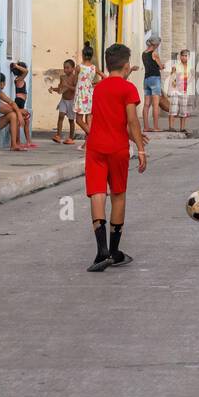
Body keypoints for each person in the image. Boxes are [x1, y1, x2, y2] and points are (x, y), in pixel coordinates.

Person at [85, 43, 149, 271]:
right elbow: (132, 120)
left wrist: (133, 136)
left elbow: (99, 118)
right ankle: (114, 251)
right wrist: (139, 146)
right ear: (126, 65)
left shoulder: (99, 88)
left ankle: (101, 250)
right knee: (118, 195)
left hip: (95, 147)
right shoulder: (128, 89)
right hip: (117, 148)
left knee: (97, 194)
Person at [74, 44, 102, 147]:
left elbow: (74, 80)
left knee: (79, 120)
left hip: (81, 95)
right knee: (89, 119)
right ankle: (87, 144)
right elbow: (105, 77)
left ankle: (93, 137)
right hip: (90, 94)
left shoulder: (79, 67)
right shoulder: (94, 68)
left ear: (82, 55)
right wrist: (94, 84)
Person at [49, 59, 79, 144]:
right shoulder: (62, 77)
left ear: (73, 68)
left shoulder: (75, 78)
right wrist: (53, 89)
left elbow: (75, 89)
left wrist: (67, 86)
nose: (65, 70)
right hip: (64, 100)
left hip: (71, 101)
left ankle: (71, 138)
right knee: (61, 116)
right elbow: (61, 89)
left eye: (67, 68)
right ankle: (58, 135)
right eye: (64, 68)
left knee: (71, 120)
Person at [0, 73, 29, 152]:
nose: (4, 85)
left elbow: (12, 102)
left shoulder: (0, 93)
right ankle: (14, 144)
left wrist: (18, 113)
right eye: (4, 83)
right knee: (13, 114)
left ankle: (14, 145)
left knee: (13, 115)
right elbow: (3, 108)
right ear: (1, 83)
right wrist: (20, 112)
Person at [9, 62, 37, 149]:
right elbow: (26, 71)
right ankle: (17, 141)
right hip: (19, 102)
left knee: (27, 121)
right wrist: (17, 66)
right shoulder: (19, 79)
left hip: (21, 102)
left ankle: (28, 141)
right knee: (18, 122)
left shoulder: (20, 79)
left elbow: (25, 71)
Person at [142, 36, 165, 131]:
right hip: (155, 78)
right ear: (155, 44)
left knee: (146, 104)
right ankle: (156, 127)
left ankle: (146, 127)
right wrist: (162, 66)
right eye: (158, 44)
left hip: (146, 79)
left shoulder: (143, 53)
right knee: (155, 104)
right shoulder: (155, 53)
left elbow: (149, 65)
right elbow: (160, 66)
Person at [168, 49, 191, 133]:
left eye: (186, 56)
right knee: (173, 109)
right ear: (180, 57)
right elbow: (172, 78)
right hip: (175, 90)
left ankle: (182, 128)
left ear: (188, 57)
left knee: (183, 110)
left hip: (184, 90)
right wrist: (171, 90)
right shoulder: (175, 66)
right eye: (183, 56)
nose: (184, 57)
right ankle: (171, 127)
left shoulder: (189, 67)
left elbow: (189, 78)